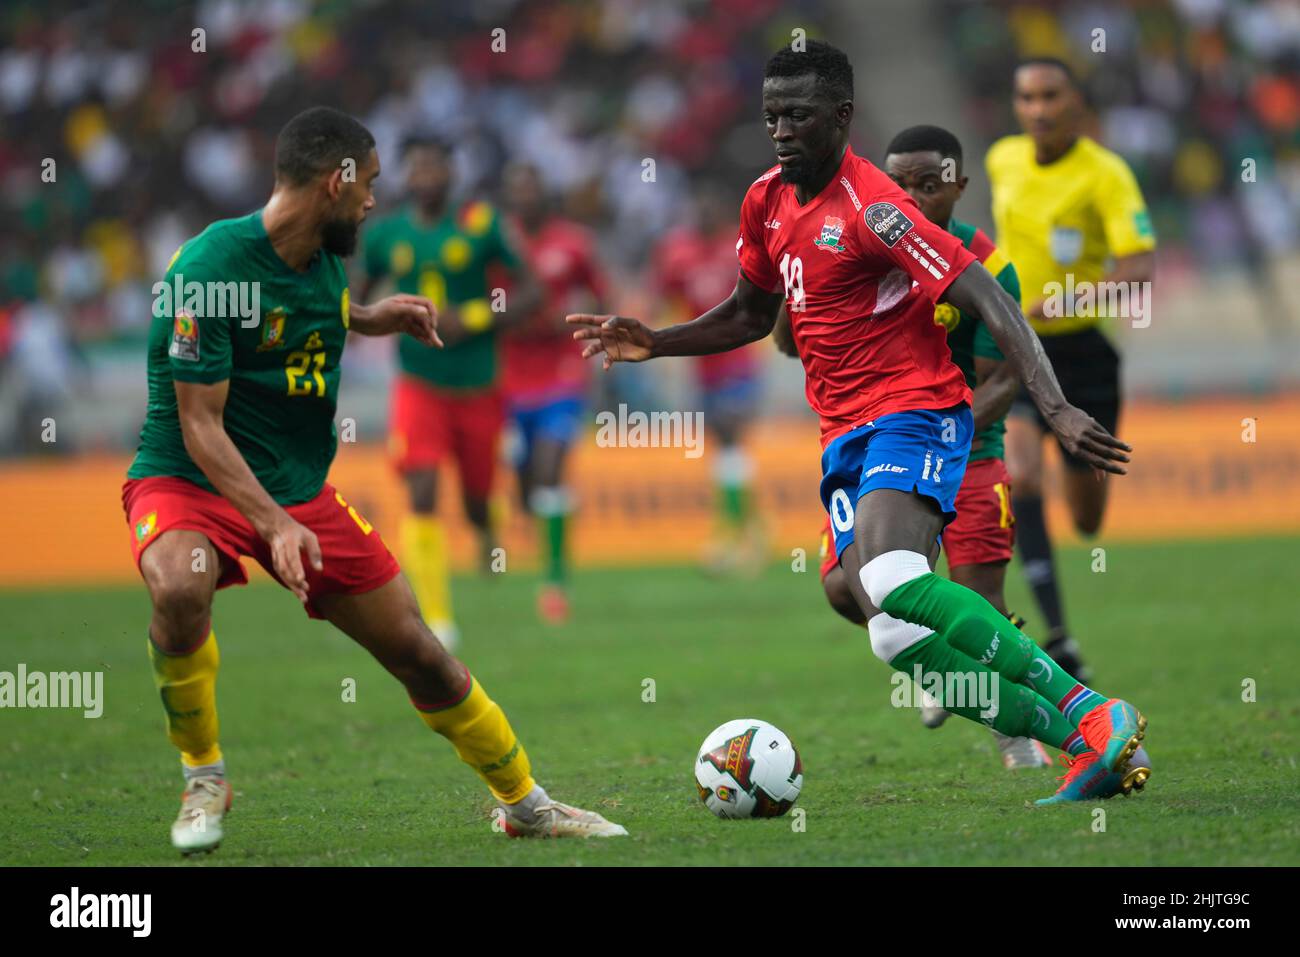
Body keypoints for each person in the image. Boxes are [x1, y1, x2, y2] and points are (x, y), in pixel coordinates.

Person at [570, 42, 1148, 804]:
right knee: (884, 624)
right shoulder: (765, 199)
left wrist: (1057, 402)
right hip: (842, 433)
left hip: (915, 410)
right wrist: (659, 340)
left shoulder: (876, 207)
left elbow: (987, 295)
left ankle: (1091, 708)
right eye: (772, 115)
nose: (780, 131)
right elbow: (750, 311)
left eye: (799, 116)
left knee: (891, 576)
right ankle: (1081, 747)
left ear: (841, 118)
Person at [124, 107, 625, 853]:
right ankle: (204, 774)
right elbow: (201, 426)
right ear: (337, 181)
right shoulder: (206, 271)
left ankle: (527, 802)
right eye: (370, 185)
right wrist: (274, 524)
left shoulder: (321, 260)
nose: (374, 201)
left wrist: (367, 316)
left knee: (417, 649)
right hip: (191, 478)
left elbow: (294, 310)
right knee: (179, 585)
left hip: (296, 489)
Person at [774, 123, 1051, 770]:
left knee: (979, 601)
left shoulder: (986, 263)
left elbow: (1005, 376)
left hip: (971, 449)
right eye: (899, 183)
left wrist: (942, 430)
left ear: (958, 185)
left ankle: (1021, 735)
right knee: (849, 588)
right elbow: (787, 343)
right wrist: (798, 283)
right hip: (878, 442)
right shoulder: (861, 244)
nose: (913, 197)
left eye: (930, 184)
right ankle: (942, 674)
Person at [988, 58, 1156, 681]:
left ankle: (1075, 469)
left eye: (1050, 96)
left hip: (1084, 353)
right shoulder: (1003, 159)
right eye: (1026, 97)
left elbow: (1138, 273)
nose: (1038, 109)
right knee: (1023, 477)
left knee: (1087, 519)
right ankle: (1057, 635)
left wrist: (1057, 301)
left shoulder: (1107, 175)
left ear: (1075, 101)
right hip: (1021, 347)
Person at [360, 136, 541, 649]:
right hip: (419, 381)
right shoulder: (387, 233)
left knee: (477, 502)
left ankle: (488, 529)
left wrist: (478, 316)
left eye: (434, 167)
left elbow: (532, 290)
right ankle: (436, 617)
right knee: (421, 488)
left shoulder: (482, 224)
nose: (425, 177)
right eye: (416, 168)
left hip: (478, 384)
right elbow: (354, 289)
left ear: (450, 173)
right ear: (406, 175)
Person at [500, 161, 608, 623]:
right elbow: (481, 303)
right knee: (527, 485)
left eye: (531, 189)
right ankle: (541, 515)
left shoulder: (574, 243)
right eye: (516, 191)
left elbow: (599, 298)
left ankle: (556, 580)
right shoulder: (497, 244)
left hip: (564, 372)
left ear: (544, 195)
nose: (525, 198)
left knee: (550, 467)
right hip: (509, 377)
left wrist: (584, 315)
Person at [652, 183, 766, 574]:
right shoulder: (678, 253)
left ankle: (734, 537)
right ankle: (749, 527)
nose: (703, 218)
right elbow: (667, 297)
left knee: (732, 436)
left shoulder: (739, 246)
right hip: (703, 365)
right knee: (723, 448)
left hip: (738, 362)